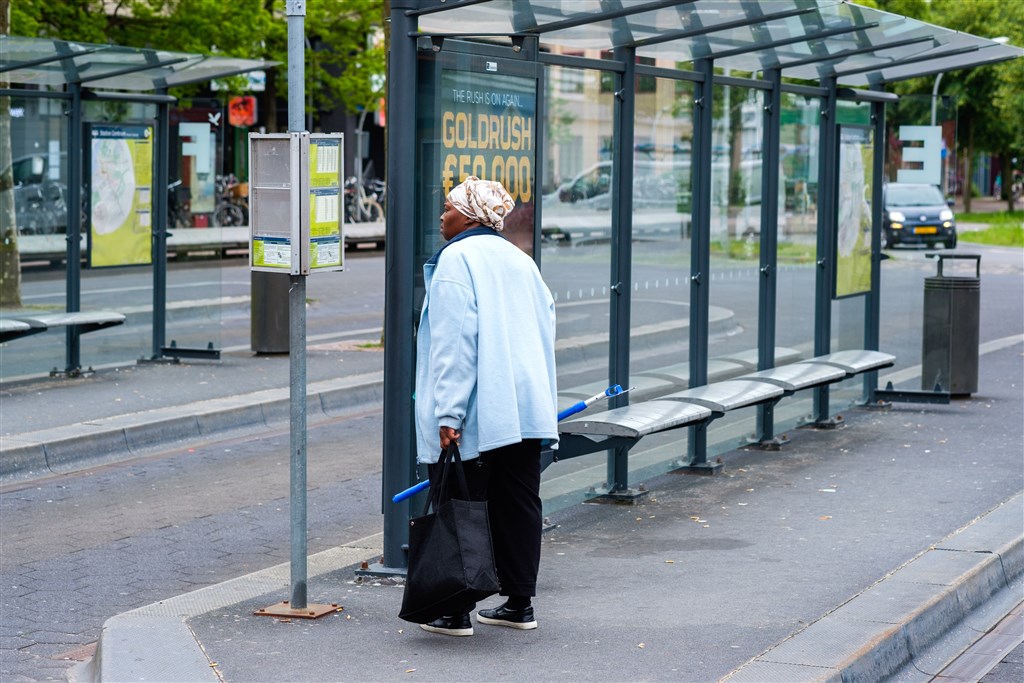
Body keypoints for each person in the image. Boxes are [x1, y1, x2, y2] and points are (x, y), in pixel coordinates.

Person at [414, 176, 559, 637]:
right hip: (525, 408)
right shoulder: (521, 260)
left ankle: (455, 609)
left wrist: (448, 414)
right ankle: (519, 604)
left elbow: (455, 345)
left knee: (462, 502)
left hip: (480, 409)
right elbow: (545, 326)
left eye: (450, 208)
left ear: (472, 217)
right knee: (518, 502)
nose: (442, 215)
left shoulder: (456, 260)